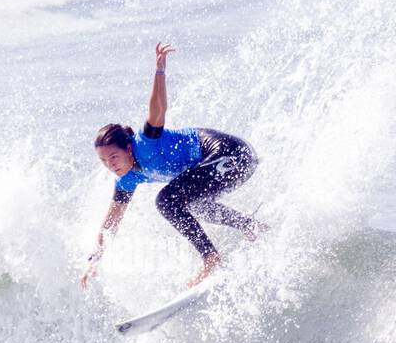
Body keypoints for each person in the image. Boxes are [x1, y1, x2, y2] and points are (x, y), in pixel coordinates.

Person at [81, 42, 263, 290]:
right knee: (191, 205)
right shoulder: (127, 179)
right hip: (224, 167)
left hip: (233, 155)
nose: (110, 165)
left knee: (167, 201)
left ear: (128, 148)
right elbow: (111, 223)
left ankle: (211, 258)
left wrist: (159, 71)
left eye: (113, 157)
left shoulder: (146, 142)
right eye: (104, 161)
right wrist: (94, 260)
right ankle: (251, 226)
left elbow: (158, 109)